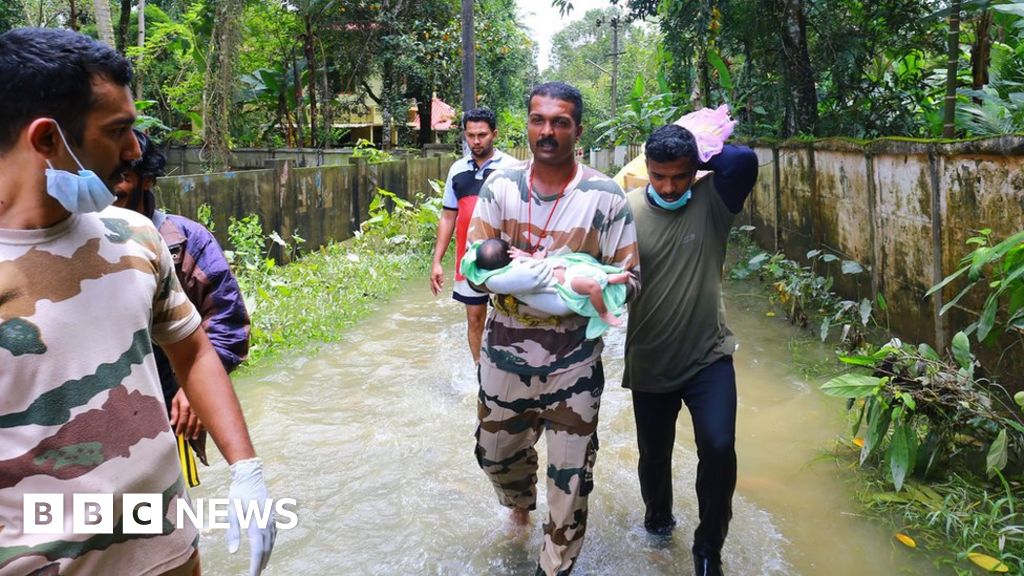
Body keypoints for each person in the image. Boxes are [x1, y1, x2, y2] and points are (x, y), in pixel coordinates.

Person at [0, 28, 275, 576]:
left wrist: (246, 468)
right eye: (118, 130)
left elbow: (194, 351)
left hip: (167, 547)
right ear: (48, 139)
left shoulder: (136, 237)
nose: (133, 151)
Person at [465, 81, 641, 576]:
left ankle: (554, 567)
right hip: (505, 351)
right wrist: (528, 276)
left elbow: (632, 280)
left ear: (577, 131)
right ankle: (519, 503)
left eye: (560, 121)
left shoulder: (606, 198)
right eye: (539, 120)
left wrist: (588, 286)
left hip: (574, 359)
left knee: (570, 481)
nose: (548, 131)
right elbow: (476, 263)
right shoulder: (499, 188)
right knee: (495, 454)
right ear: (527, 125)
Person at [622, 120, 758, 576]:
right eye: (659, 175)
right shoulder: (626, 211)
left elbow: (742, 160)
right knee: (654, 458)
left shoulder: (713, 201)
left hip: (709, 356)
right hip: (651, 359)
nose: (669, 185)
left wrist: (701, 149)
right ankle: (658, 523)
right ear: (647, 170)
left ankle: (707, 549)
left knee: (719, 449)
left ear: (695, 170)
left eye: (680, 175)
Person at [113, 128, 252, 488]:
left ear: (147, 179)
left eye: (122, 176)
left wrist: (193, 392)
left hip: (171, 401)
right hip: (108, 409)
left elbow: (228, 322)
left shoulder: (185, 241)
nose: (110, 188)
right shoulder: (82, 240)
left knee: (172, 510)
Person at [429, 107, 521, 364]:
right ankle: (481, 371)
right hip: (469, 257)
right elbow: (448, 216)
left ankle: (511, 369)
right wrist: (437, 261)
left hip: (507, 257)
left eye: (482, 135)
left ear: (495, 134)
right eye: (471, 136)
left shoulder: (513, 169)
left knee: (511, 315)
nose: (476, 141)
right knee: (474, 317)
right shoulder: (457, 170)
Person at [463, 237, 629, 336]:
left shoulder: (517, 264)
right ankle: (604, 312)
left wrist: (529, 256)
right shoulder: (510, 275)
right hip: (566, 285)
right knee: (592, 285)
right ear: (508, 254)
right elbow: (535, 270)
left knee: (591, 279)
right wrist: (533, 257)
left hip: (566, 273)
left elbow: (535, 263)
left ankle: (609, 278)